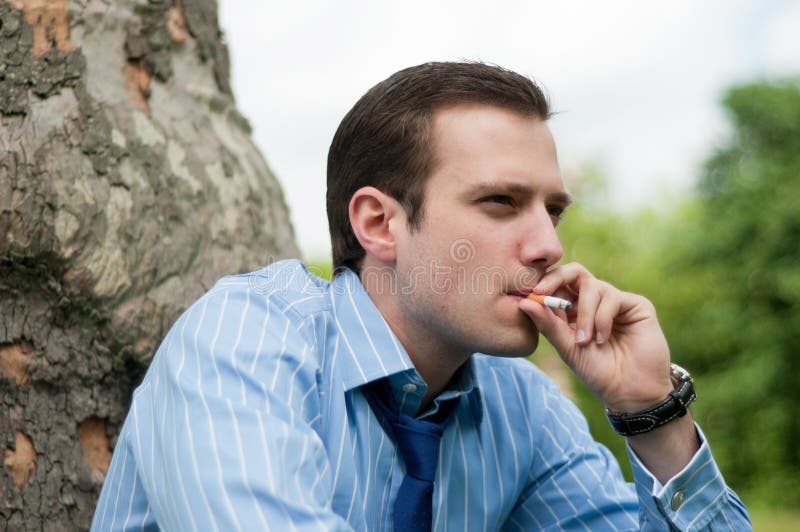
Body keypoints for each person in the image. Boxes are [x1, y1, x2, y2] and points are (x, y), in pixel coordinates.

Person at [92, 62, 751, 531]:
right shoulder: (244, 340)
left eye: (553, 210)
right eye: (501, 202)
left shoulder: (520, 406)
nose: (548, 245)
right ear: (380, 224)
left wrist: (654, 414)